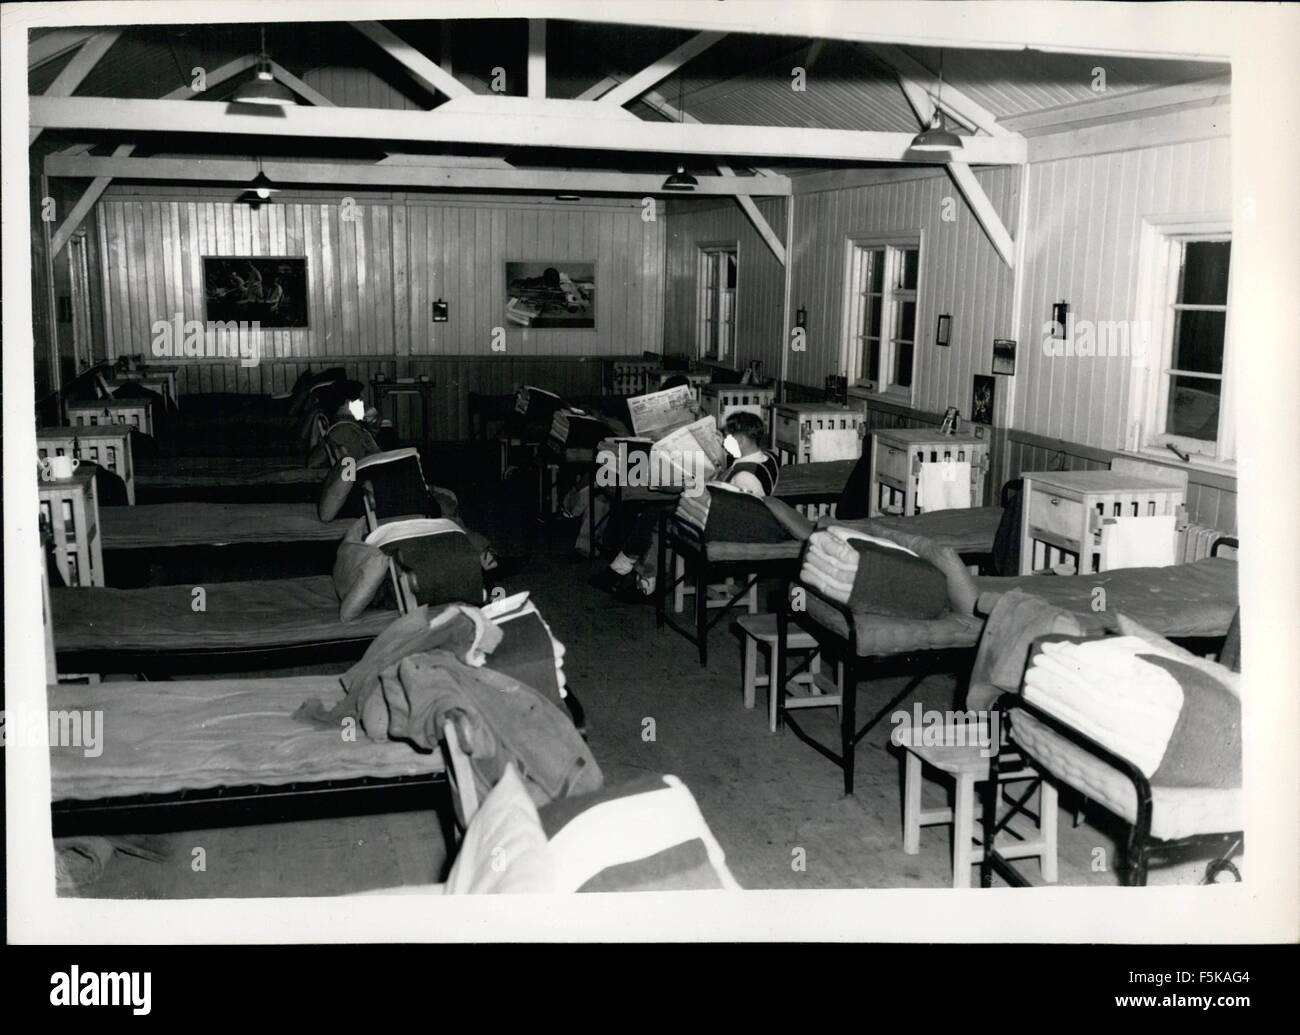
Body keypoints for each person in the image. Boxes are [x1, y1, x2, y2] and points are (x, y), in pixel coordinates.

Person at [591, 408, 779, 603]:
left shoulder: (744, 476)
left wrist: (691, 484)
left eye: (726, 437)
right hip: (721, 512)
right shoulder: (766, 459)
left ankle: (642, 584)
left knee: (656, 520)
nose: (723, 442)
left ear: (740, 440)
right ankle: (622, 571)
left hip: (726, 527)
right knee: (655, 511)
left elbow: (739, 511)